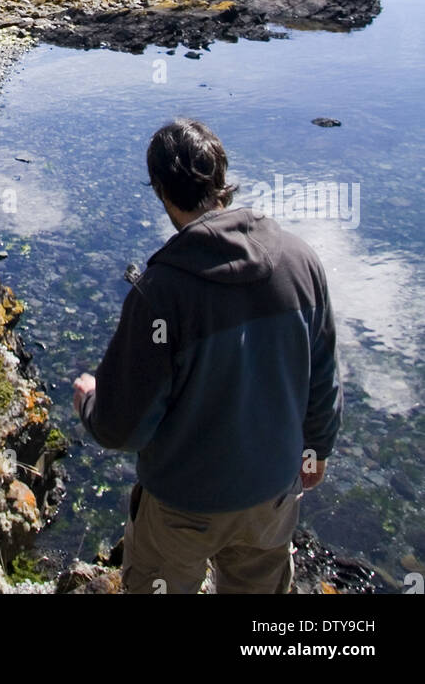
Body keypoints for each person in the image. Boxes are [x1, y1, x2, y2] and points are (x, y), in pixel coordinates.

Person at [73, 118, 342, 594]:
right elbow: (322, 376)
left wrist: (90, 401)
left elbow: (123, 428)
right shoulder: (300, 261)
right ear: (221, 177)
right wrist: (315, 449)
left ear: (159, 189)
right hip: (273, 497)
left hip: (182, 507)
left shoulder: (160, 294)